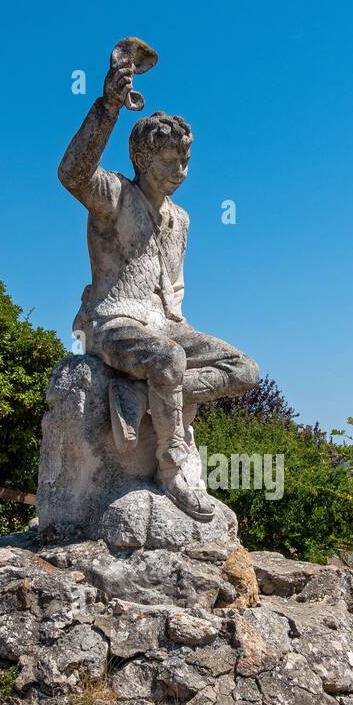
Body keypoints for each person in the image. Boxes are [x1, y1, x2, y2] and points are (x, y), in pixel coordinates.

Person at [58, 50, 258, 521]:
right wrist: (107, 106)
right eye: (169, 161)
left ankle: (151, 394)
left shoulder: (181, 220)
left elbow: (175, 292)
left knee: (245, 369)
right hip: (113, 321)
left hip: (166, 326)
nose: (179, 172)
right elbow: (72, 173)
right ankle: (174, 470)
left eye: (185, 161)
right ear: (142, 158)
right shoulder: (114, 196)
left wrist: (176, 332)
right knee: (168, 359)